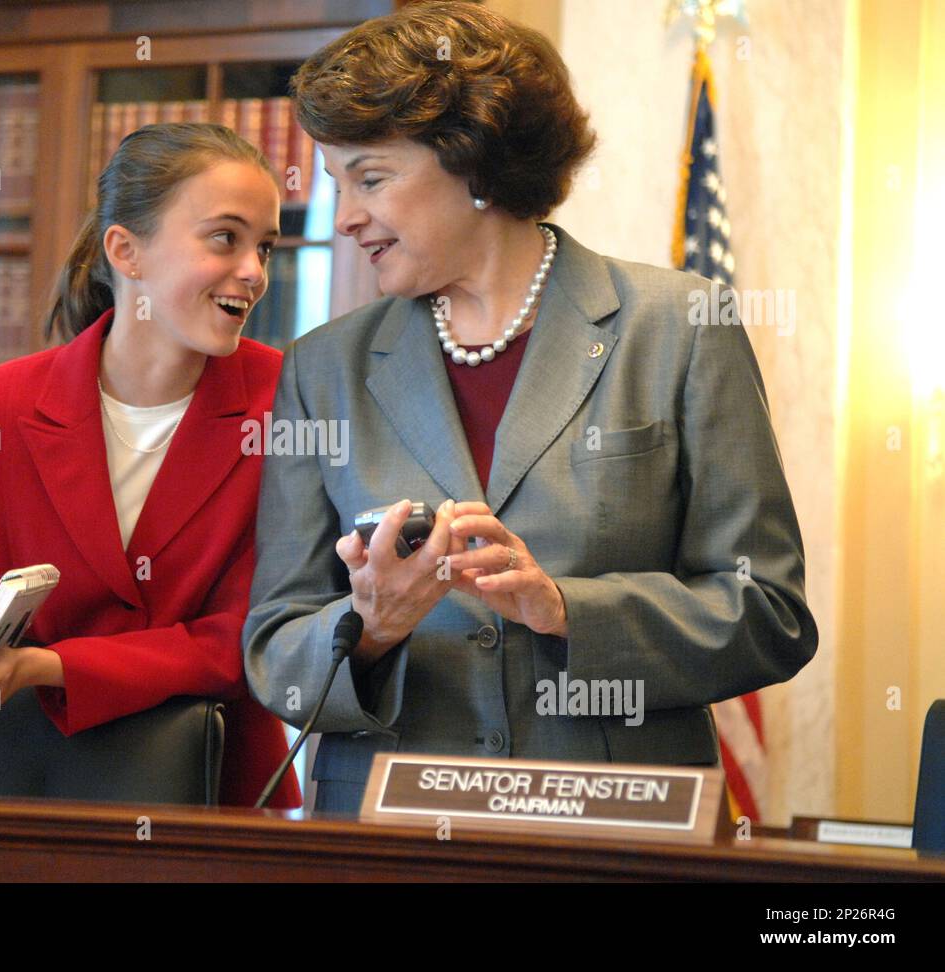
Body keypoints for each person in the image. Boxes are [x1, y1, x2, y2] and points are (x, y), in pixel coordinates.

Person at [243, 1, 818, 813]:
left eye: (371, 178)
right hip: (385, 830)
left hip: (612, 824)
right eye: (338, 184)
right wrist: (369, 626)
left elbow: (768, 612)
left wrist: (564, 610)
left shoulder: (680, 327)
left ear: (474, 161)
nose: (344, 219)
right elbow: (273, 644)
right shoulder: (321, 366)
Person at [0, 123, 300, 809]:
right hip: (29, 790)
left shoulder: (292, 403)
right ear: (126, 251)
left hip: (216, 798)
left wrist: (44, 666)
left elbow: (246, 640)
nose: (253, 271)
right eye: (225, 238)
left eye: (265, 247)